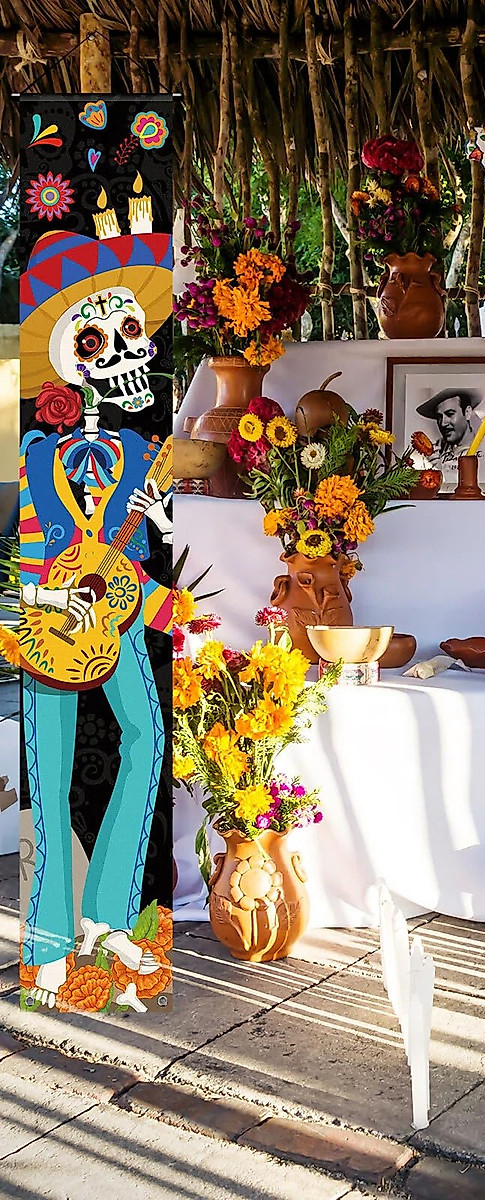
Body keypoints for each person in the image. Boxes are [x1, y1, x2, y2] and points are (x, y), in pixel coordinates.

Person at [17, 226, 176, 1009]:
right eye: (97, 335)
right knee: (47, 777)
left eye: (128, 331)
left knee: (147, 739)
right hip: (46, 634)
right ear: (69, 357)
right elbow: (22, 567)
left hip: (116, 623)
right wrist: (51, 602)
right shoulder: (36, 458)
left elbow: (129, 574)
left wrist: (173, 610)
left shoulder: (146, 457)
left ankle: (109, 915)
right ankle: (47, 942)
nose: (117, 348)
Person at [417, 387, 482, 469]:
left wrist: (440, 470)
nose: (443, 423)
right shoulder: (436, 449)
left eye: (450, 414)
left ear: (467, 413)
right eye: (439, 417)